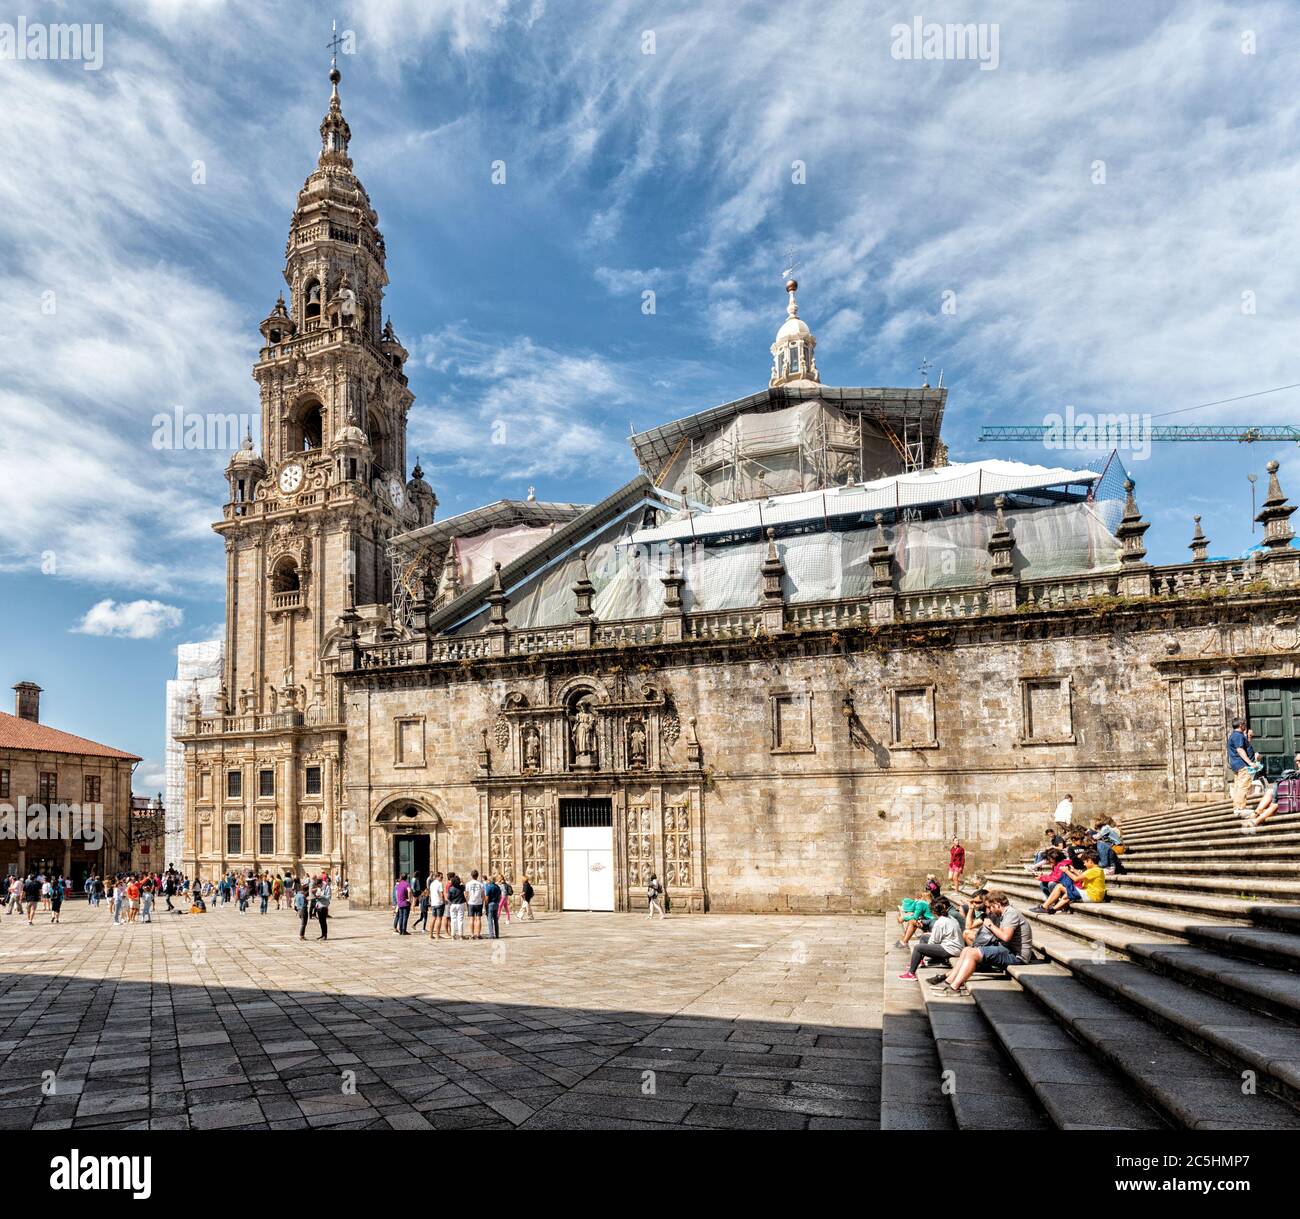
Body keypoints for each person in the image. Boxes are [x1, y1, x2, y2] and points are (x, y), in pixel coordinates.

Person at [930, 891, 1033, 995]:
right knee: (967, 949)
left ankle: (955, 988)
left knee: (972, 953)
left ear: (997, 904)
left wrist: (991, 925)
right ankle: (949, 981)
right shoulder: (1005, 913)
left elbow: (1006, 937)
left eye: (990, 907)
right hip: (1007, 950)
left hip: (1017, 955)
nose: (990, 910)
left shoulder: (1011, 914)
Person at [898, 896, 963, 979]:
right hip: (955, 945)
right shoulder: (949, 917)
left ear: (933, 912)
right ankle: (919, 961)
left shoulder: (940, 922)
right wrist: (929, 935)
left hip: (952, 949)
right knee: (924, 937)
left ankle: (911, 974)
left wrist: (926, 947)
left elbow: (934, 942)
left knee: (918, 948)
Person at [1034, 851, 1104, 913]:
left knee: (1062, 890)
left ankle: (1046, 907)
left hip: (1092, 895)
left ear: (1090, 861)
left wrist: (1066, 871)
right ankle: (1052, 909)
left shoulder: (1095, 870)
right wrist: (1074, 870)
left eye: (1085, 862)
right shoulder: (1095, 870)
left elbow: (1076, 879)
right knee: (1064, 892)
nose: (1084, 864)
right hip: (1090, 893)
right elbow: (1082, 877)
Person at [1228, 718, 1256, 811]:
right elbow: (1240, 750)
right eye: (1244, 724)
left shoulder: (1236, 736)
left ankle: (1237, 806)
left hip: (1237, 765)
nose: (1245, 726)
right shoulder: (1238, 736)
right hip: (1242, 765)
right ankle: (1240, 808)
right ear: (1240, 725)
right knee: (1243, 786)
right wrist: (1250, 763)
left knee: (1238, 786)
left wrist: (1249, 738)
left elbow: (1245, 748)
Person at [446, 872, 468, 940]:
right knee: (460, 920)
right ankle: (461, 935)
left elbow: (448, 897)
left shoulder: (451, 888)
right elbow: (464, 886)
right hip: (460, 904)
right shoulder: (461, 887)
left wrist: (452, 900)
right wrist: (462, 881)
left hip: (453, 904)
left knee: (453, 920)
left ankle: (453, 935)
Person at [465, 870, 485, 940]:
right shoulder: (481, 884)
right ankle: (478, 934)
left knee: (471, 919)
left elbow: (466, 894)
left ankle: (472, 934)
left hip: (471, 902)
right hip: (479, 902)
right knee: (478, 919)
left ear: (471, 875)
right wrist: (482, 901)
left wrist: (467, 901)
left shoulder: (468, 884)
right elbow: (483, 895)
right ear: (477, 875)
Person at [484, 874, 502, 939]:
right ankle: (497, 934)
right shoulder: (498, 887)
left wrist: (485, 905)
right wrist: (498, 902)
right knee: (496, 920)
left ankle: (491, 935)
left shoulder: (489, 887)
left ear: (490, 880)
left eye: (488, 880)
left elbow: (486, 897)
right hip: (496, 904)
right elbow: (500, 896)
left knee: (490, 920)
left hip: (490, 904)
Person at [313, 874, 331, 940]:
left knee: (324, 921)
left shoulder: (327, 887)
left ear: (321, 883)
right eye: (317, 886)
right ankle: (322, 934)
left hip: (324, 906)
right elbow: (318, 894)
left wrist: (321, 896)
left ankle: (325, 935)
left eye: (319, 885)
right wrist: (317, 896)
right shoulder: (319, 888)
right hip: (319, 905)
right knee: (320, 921)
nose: (318, 887)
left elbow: (328, 897)